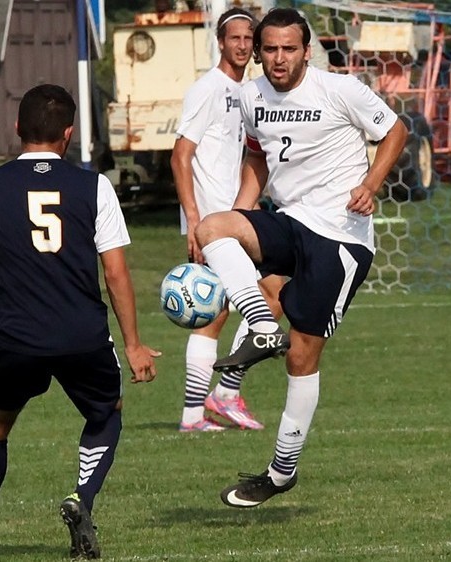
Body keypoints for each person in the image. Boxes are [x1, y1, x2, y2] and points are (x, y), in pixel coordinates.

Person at [193, 8, 407, 507]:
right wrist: (240, 223)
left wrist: (371, 183)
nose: (278, 58)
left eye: (289, 49)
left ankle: (282, 471)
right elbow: (257, 158)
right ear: (258, 52)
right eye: (269, 49)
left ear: (306, 50)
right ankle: (260, 327)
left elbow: (395, 131)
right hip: (292, 221)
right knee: (211, 227)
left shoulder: (340, 89)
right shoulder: (251, 96)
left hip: (342, 237)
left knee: (302, 355)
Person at [0, 84, 160, 559]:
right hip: (83, 333)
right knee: (106, 412)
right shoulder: (95, 185)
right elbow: (116, 271)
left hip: (15, 337)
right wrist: (134, 344)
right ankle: (81, 498)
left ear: (17, 128)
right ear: (69, 133)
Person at [170, 7, 284, 433]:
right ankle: (223, 395)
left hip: (234, 218)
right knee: (261, 302)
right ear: (220, 42)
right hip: (213, 222)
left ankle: (196, 415)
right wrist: (196, 221)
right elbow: (181, 155)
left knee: (231, 308)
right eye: (234, 38)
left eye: (247, 39)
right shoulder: (208, 88)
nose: (241, 46)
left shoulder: (250, 91)